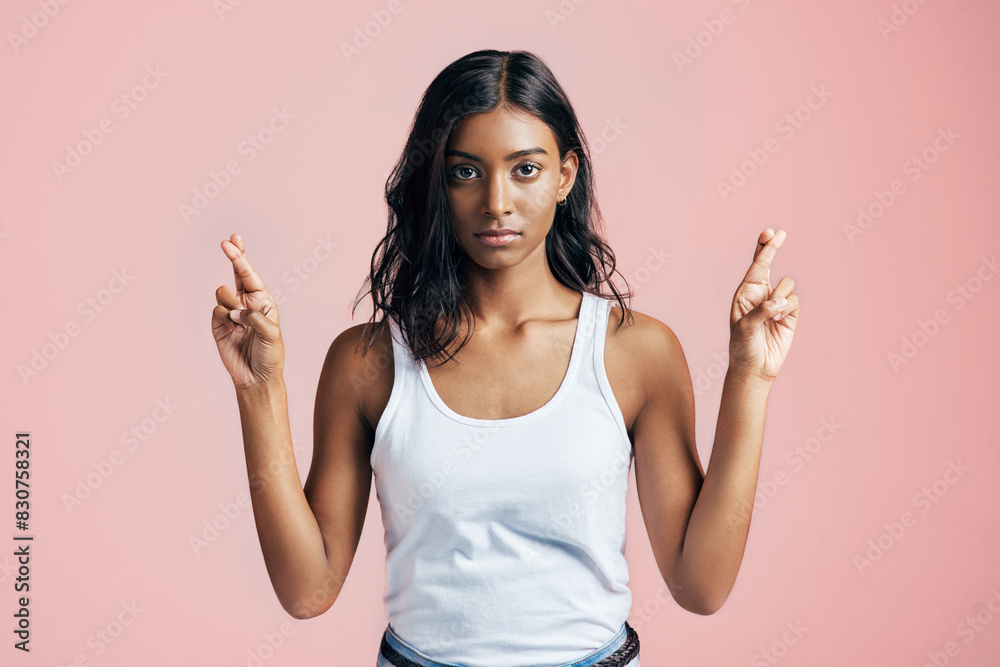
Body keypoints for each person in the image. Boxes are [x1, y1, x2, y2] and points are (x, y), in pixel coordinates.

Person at [211, 49, 799, 667]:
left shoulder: (637, 353)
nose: (497, 201)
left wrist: (750, 379)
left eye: (525, 169)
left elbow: (700, 585)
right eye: (466, 172)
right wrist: (260, 387)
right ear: (435, 180)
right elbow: (307, 591)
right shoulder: (367, 362)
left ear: (565, 176)